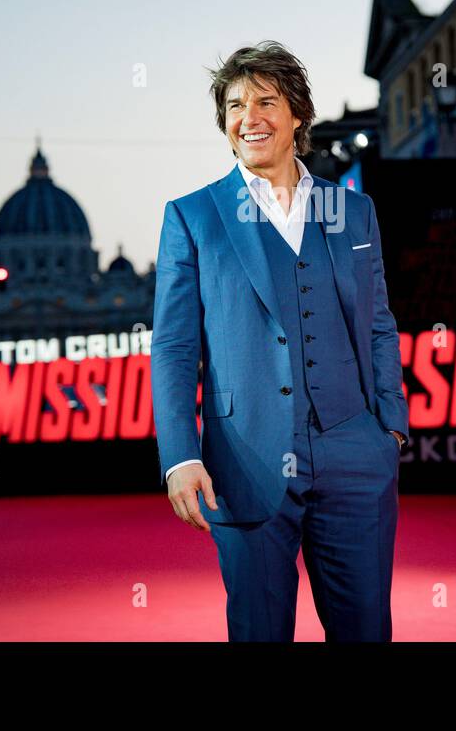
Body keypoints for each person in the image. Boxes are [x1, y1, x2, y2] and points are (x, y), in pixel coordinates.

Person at [152, 41, 409, 641]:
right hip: (244, 460)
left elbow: (378, 323)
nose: (250, 118)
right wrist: (180, 456)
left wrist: (390, 426)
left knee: (366, 632)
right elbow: (173, 349)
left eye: (266, 102)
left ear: (297, 115)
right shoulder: (192, 216)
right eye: (235, 106)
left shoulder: (353, 211)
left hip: (356, 454)